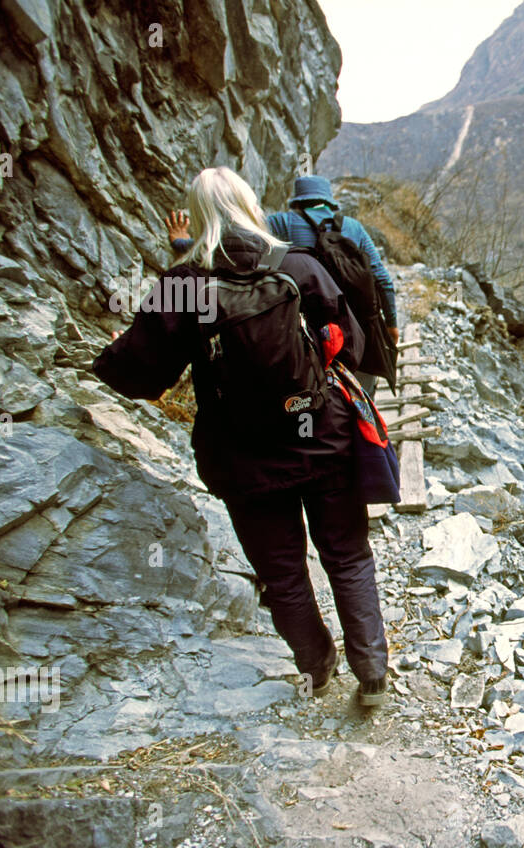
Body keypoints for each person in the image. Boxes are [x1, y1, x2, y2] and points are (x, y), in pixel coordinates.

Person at [94, 167, 390, 707]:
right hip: (322, 437)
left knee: (281, 571)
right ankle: (371, 672)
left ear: (197, 215)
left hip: (244, 456)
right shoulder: (296, 265)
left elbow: (143, 374)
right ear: (253, 206)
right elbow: (351, 342)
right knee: (347, 554)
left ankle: (316, 664)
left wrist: (109, 353)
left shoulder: (184, 286)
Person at [265, 176, 398, 399]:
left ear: (297, 201)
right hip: (357, 333)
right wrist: (392, 325)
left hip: (306, 333)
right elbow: (383, 279)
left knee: (311, 397)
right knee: (360, 397)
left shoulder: (281, 223)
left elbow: (241, 248)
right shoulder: (353, 227)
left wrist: (186, 244)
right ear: (328, 201)